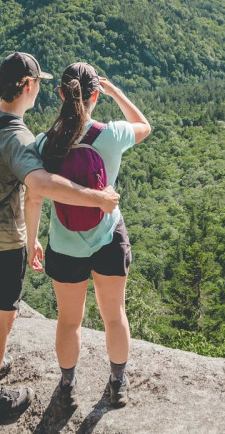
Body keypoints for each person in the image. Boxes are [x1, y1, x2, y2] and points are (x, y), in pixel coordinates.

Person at [0, 52, 121, 421]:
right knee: (4, 318)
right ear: (30, 86)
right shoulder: (18, 137)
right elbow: (40, 184)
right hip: (4, 239)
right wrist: (97, 198)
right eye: (39, 83)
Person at [24, 62, 151, 409]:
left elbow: (33, 195)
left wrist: (32, 240)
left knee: (68, 321)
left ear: (62, 94)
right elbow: (145, 126)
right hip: (108, 237)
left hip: (64, 244)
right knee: (114, 315)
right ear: (95, 95)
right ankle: (118, 382)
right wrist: (117, 93)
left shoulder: (43, 144)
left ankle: (67, 385)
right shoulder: (111, 135)